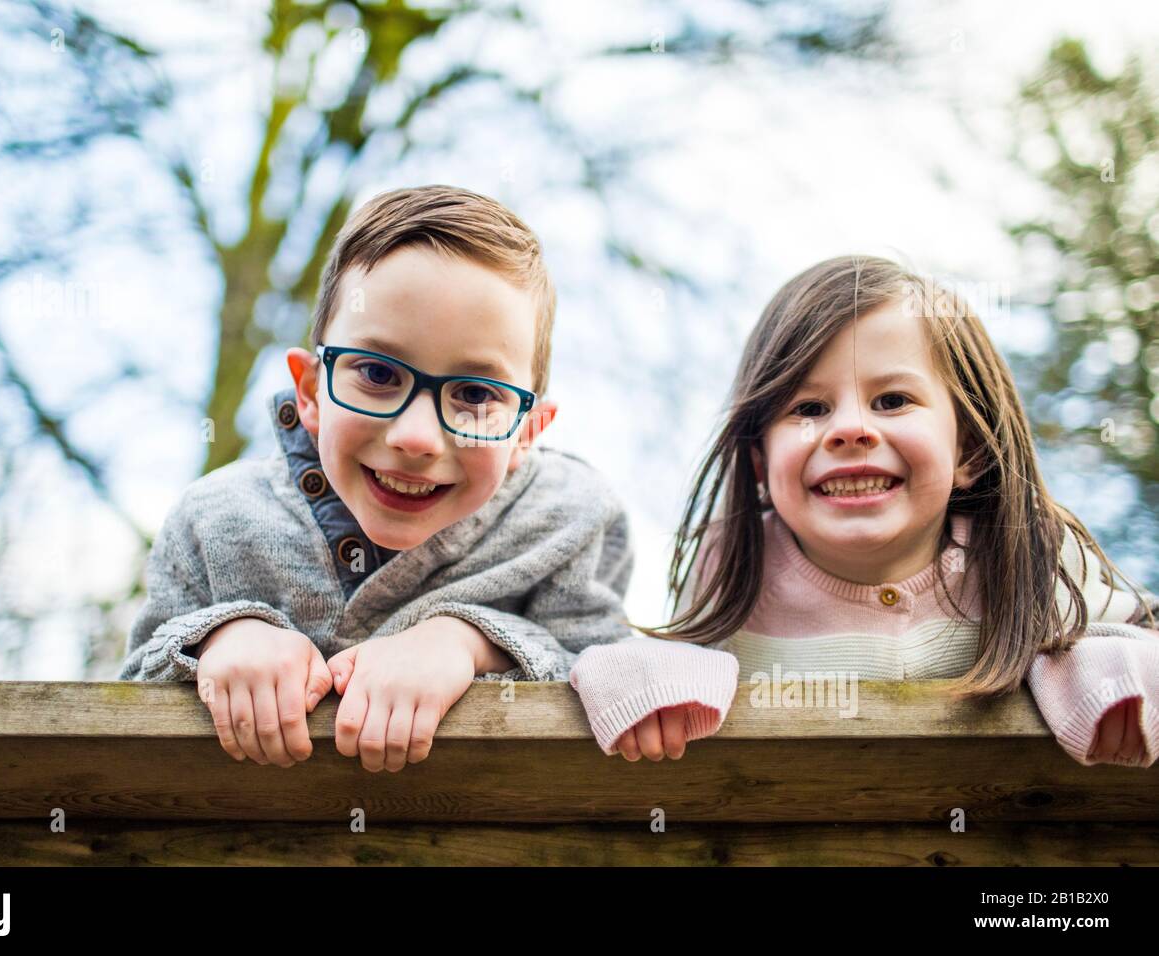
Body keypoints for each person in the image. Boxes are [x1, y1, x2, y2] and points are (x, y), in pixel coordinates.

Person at [569, 255, 1159, 767]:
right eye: (809, 407)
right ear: (759, 461)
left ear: (969, 450)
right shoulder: (736, 567)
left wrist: (1103, 662)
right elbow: (661, 662)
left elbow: (1139, 646)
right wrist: (644, 675)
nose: (850, 429)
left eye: (893, 400)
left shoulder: (1028, 552)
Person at [121, 185, 634, 773]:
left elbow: (607, 678)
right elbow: (128, 687)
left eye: (474, 393)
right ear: (310, 392)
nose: (416, 437)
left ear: (526, 431)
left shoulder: (568, 518)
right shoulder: (214, 517)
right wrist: (220, 639)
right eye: (377, 372)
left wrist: (466, 643)